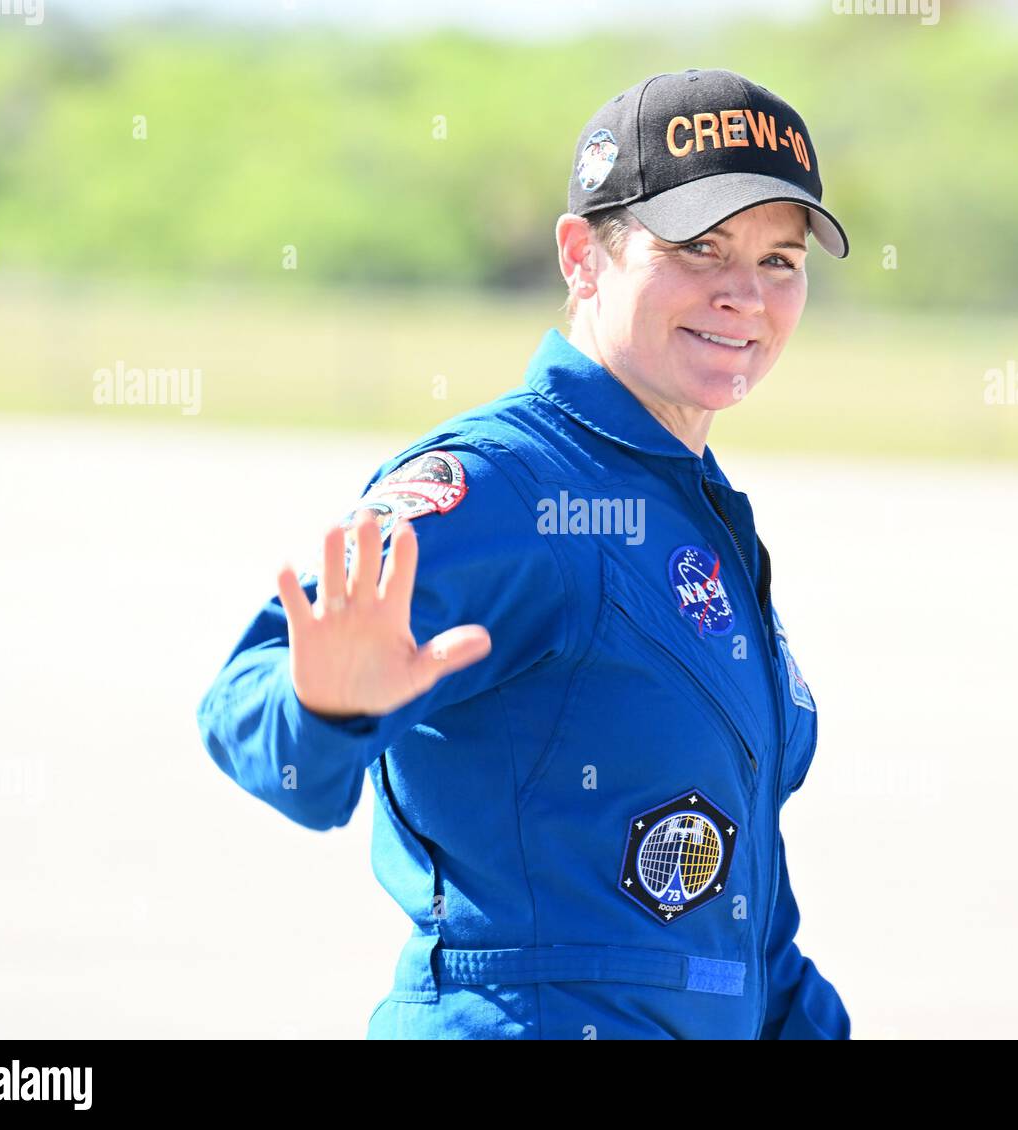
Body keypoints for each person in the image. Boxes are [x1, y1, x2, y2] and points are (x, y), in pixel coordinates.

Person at [196, 67, 853, 1040]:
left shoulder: (696, 513)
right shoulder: (510, 486)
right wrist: (327, 705)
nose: (743, 295)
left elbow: (738, 923)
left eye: (780, 261)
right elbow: (251, 713)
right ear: (582, 256)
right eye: (697, 248)